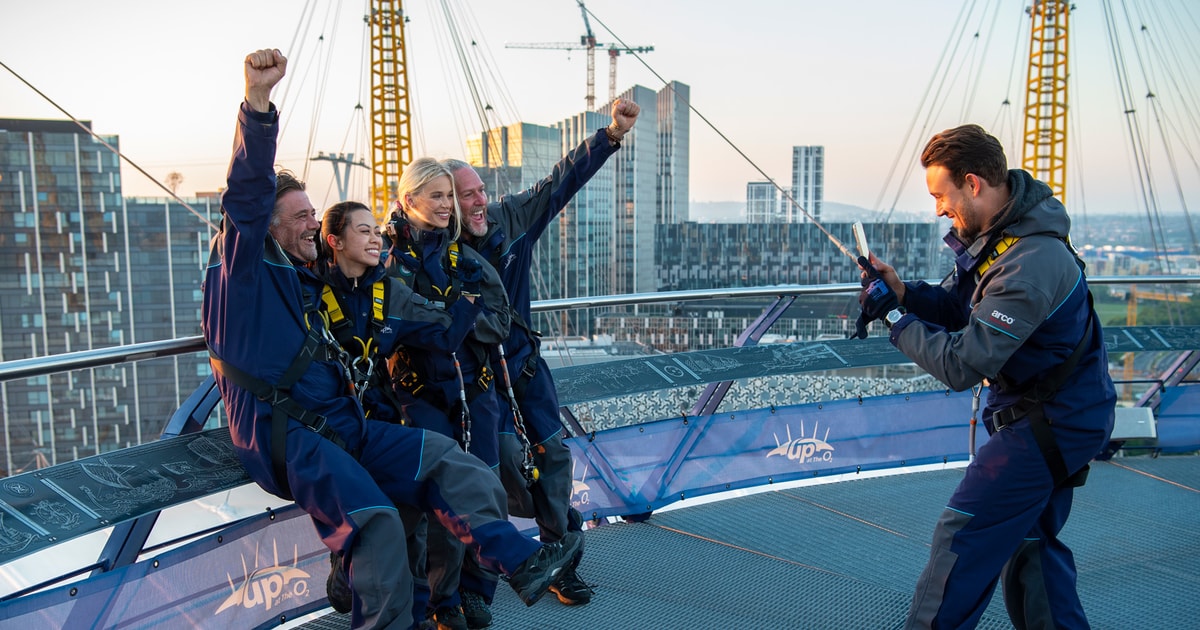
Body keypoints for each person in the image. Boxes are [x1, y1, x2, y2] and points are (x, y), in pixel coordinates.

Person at [202, 48, 581, 630]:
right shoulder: (245, 272)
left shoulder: (308, 278)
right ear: (267, 228)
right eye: (302, 216)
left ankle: (520, 563)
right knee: (377, 524)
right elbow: (245, 199)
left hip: (339, 422)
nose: (315, 223)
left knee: (452, 464)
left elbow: (383, 307)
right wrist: (257, 104)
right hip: (287, 431)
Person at [854, 124, 1116, 629]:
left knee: (963, 537)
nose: (938, 210)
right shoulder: (1004, 239)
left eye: (941, 195)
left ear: (973, 184)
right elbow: (960, 306)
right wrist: (904, 294)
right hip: (1059, 413)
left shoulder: (1032, 261)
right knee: (1031, 548)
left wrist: (893, 319)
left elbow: (962, 364)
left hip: (1050, 422)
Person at [445, 96, 640, 622]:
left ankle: (561, 557)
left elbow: (561, 182)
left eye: (480, 190)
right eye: (466, 197)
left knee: (553, 457)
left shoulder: (510, 218)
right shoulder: (440, 252)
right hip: (480, 383)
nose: (479, 201)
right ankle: (483, 578)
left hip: (526, 367)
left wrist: (610, 136)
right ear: (446, 206)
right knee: (497, 472)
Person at [315, 200, 488, 627]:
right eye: (363, 231)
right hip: (332, 425)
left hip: (382, 420)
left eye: (377, 231)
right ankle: (346, 568)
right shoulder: (307, 293)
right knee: (367, 519)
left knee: (408, 525)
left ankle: (416, 612)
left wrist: (468, 297)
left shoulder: (388, 291)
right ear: (334, 241)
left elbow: (445, 334)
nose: (376, 239)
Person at [382, 158, 516, 630]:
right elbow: (386, 326)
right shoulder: (386, 261)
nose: (445, 205)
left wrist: (445, 324)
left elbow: (500, 319)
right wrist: (449, 316)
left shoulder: (465, 259)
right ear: (409, 200)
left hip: (474, 395)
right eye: (435, 196)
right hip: (418, 397)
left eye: (448, 196)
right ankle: (438, 600)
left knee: (485, 491)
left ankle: (475, 593)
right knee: (431, 504)